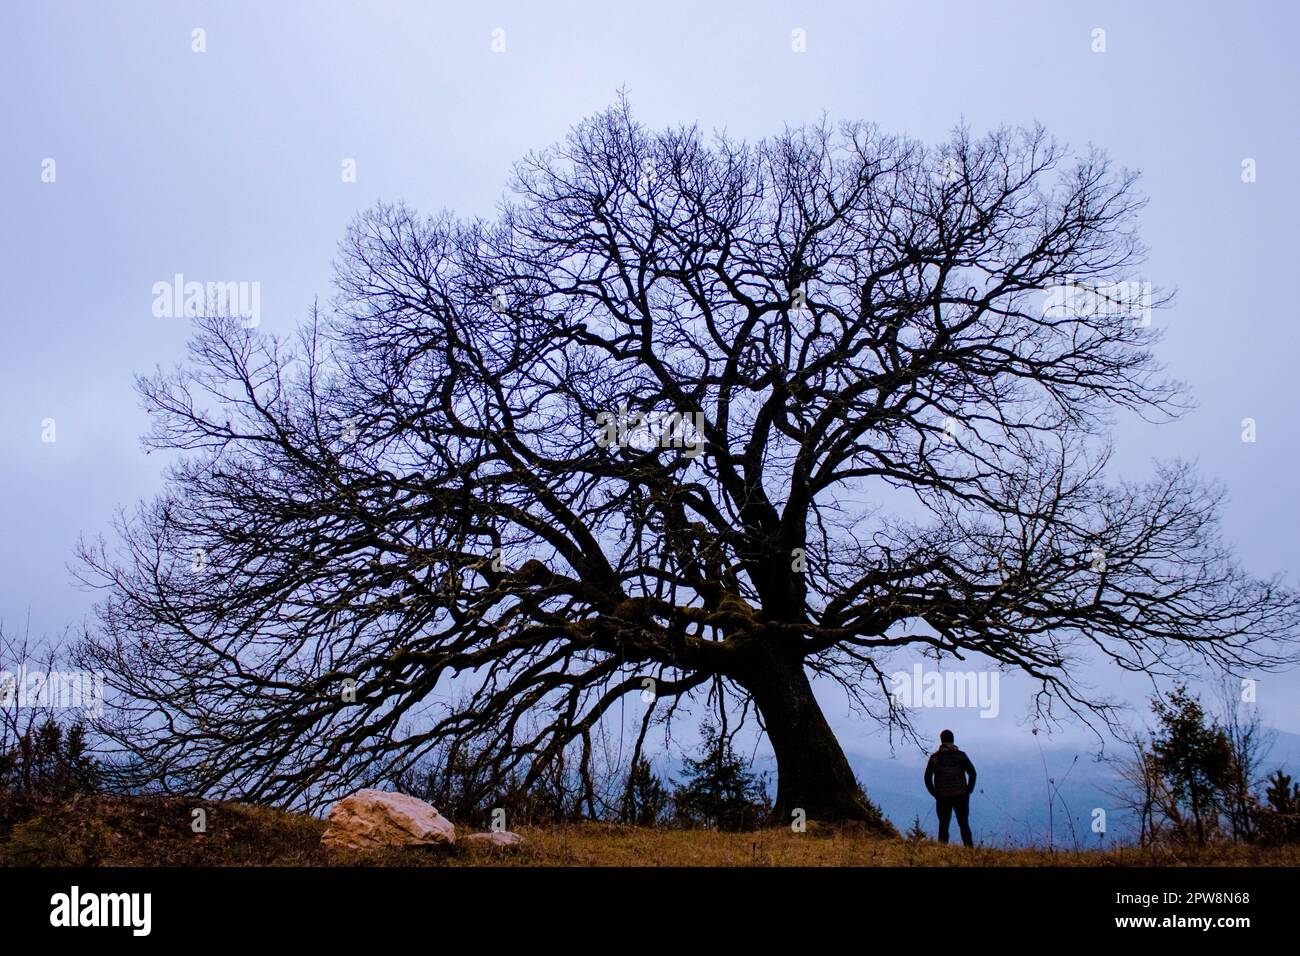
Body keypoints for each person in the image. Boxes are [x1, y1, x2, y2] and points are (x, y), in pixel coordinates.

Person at [924, 729, 976, 847]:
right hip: (961, 796)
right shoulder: (961, 756)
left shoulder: (935, 757)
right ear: (953, 740)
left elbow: (927, 778)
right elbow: (972, 773)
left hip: (942, 797)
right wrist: (968, 790)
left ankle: (942, 853)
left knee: (943, 826)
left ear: (941, 740)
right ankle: (970, 852)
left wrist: (935, 793)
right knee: (964, 825)